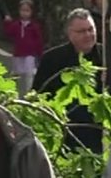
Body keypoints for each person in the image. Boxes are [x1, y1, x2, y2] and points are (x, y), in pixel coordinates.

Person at [33, 8, 105, 152]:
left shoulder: (107, 56)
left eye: (91, 29)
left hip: (99, 133)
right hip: (64, 132)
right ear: (70, 34)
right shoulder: (52, 59)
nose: (88, 35)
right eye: (82, 31)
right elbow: (38, 95)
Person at [1, 0, 44, 95]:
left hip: (30, 54)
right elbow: (8, 33)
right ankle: (11, 92)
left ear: (31, 12)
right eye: (22, 10)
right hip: (18, 53)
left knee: (29, 75)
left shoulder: (34, 26)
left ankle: (29, 93)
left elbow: (39, 41)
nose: (24, 13)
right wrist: (6, 22)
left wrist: (39, 54)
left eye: (27, 10)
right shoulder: (16, 25)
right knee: (15, 74)